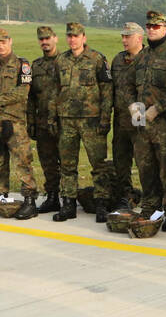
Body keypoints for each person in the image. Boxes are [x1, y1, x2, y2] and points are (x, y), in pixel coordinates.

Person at [52, 22, 113, 222]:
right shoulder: (61, 60)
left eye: (76, 36)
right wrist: (53, 116)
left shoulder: (97, 59)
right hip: (67, 120)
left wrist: (105, 118)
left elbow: (106, 91)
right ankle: (68, 203)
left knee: (99, 164)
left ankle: (102, 203)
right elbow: (55, 91)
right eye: (69, 36)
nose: (72, 39)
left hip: (91, 120)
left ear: (84, 38)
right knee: (67, 165)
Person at [133, 10, 166, 230]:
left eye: (157, 27)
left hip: (164, 124)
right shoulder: (142, 56)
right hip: (141, 125)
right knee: (146, 169)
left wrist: (158, 108)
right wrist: (133, 107)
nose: (152, 30)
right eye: (149, 27)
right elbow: (130, 85)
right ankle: (150, 208)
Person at [0, 28, 37, 219]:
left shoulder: (22, 64)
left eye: (3, 41)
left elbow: (23, 92)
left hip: (14, 122)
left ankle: (29, 201)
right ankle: (1, 199)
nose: (0, 45)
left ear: (10, 41)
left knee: (22, 162)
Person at [26, 25, 63, 213]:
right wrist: (31, 122)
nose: (45, 42)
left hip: (64, 122)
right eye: (41, 39)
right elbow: (31, 97)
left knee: (66, 161)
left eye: (48, 38)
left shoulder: (66, 62)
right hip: (42, 122)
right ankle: (53, 197)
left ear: (55, 38)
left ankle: (69, 198)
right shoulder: (36, 65)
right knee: (47, 162)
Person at [109, 22, 146, 210]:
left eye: (128, 37)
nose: (124, 40)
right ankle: (126, 196)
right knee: (120, 160)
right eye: (123, 36)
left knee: (144, 161)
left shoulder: (148, 59)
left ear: (139, 38)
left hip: (141, 118)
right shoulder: (118, 60)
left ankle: (151, 197)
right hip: (121, 119)